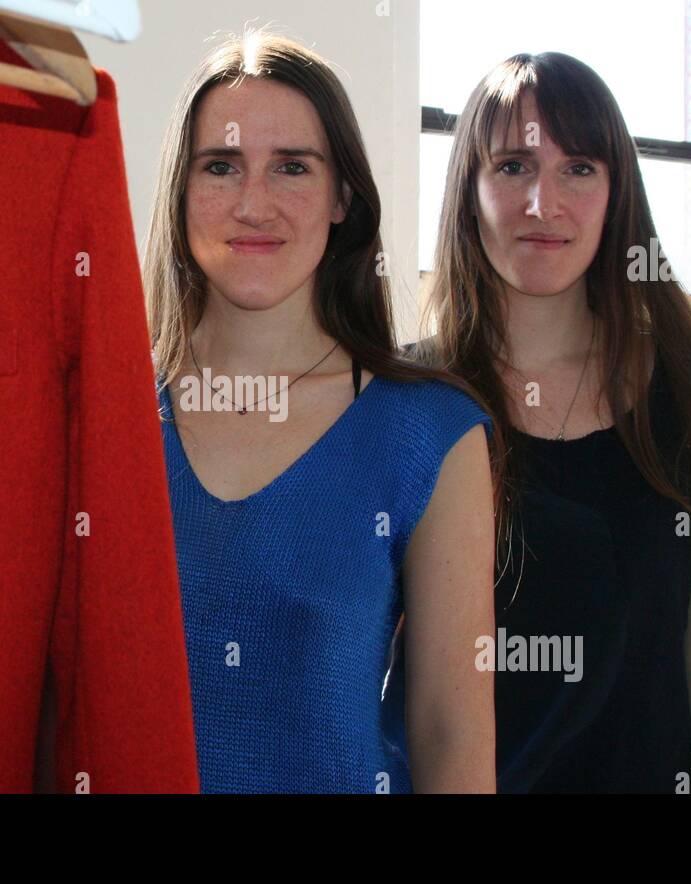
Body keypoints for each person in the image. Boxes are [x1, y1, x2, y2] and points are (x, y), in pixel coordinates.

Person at [143, 30, 496, 793]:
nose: (253, 203)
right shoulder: (105, 421)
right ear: (182, 189)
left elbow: (452, 735)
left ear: (343, 197)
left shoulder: (430, 433)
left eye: (292, 167)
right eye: (221, 166)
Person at [412, 52, 691, 793]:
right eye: (513, 166)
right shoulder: (407, 404)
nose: (544, 201)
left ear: (617, 195)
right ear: (469, 190)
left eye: (578, 168)